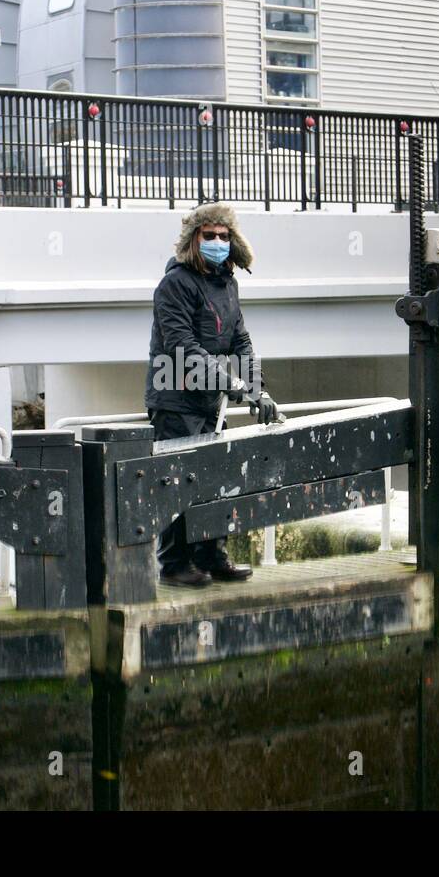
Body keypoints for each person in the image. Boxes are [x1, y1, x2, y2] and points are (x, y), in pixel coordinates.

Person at [144, 203, 281, 588]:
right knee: (176, 481)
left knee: (214, 476)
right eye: (210, 236)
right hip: (174, 399)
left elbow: (240, 339)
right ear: (194, 239)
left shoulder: (227, 283)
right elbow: (182, 347)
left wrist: (256, 387)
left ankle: (210, 555)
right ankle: (174, 565)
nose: (218, 243)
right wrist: (235, 385)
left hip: (208, 400)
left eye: (224, 236)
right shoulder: (174, 285)